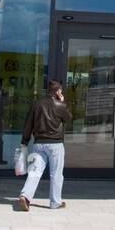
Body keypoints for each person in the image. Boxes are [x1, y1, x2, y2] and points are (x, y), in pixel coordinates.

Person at [18, 78, 72, 210]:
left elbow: (28, 123)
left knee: (35, 171)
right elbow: (69, 118)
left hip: (39, 143)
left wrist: (25, 141)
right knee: (56, 173)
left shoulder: (36, 103)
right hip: (56, 144)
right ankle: (55, 202)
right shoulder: (60, 105)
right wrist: (62, 102)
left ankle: (25, 196)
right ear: (58, 91)